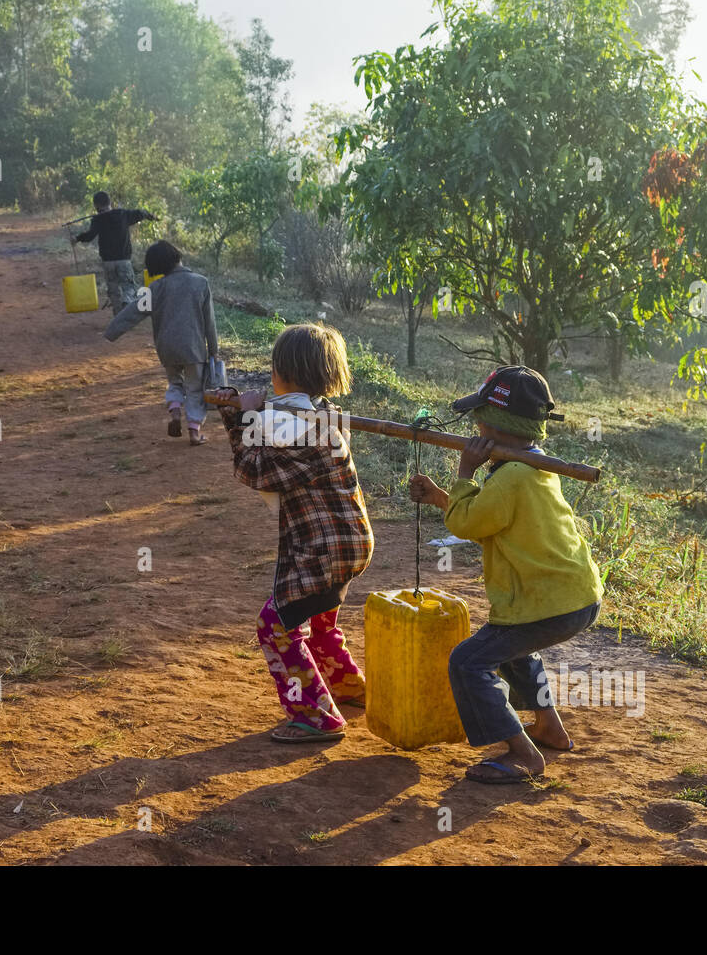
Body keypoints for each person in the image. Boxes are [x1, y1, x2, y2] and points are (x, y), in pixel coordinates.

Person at [409, 366, 604, 783]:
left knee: (468, 662)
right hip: (574, 598)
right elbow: (492, 523)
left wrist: (464, 474)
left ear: (491, 429)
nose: (474, 426)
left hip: (546, 603)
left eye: (478, 419)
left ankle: (524, 755)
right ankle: (549, 727)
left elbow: (467, 525)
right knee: (511, 650)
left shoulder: (511, 476)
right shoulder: (535, 468)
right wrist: (444, 498)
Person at [215, 325, 374, 743]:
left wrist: (241, 416)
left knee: (276, 625)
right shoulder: (319, 415)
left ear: (280, 372)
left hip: (322, 548)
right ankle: (349, 687)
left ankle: (315, 715)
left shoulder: (301, 426)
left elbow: (254, 471)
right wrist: (250, 415)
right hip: (346, 541)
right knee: (319, 620)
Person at [104, 240, 217, 445]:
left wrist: (112, 331)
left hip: (167, 348)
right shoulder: (200, 282)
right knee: (194, 388)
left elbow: (133, 311)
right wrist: (214, 350)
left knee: (174, 382)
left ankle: (175, 411)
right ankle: (194, 431)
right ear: (177, 256)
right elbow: (209, 321)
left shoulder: (155, 287)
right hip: (193, 347)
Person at [74, 191, 157, 312]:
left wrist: (77, 238)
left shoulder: (97, 219)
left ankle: (118, 316)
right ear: (110, 202)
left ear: (96, 206)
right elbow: (141, 213)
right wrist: (151, 216)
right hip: (124, 260)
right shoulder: (124, 214)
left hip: (107, 262)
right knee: (129, 287)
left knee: (113, 291)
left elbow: (89, 236)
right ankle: (127, 301)